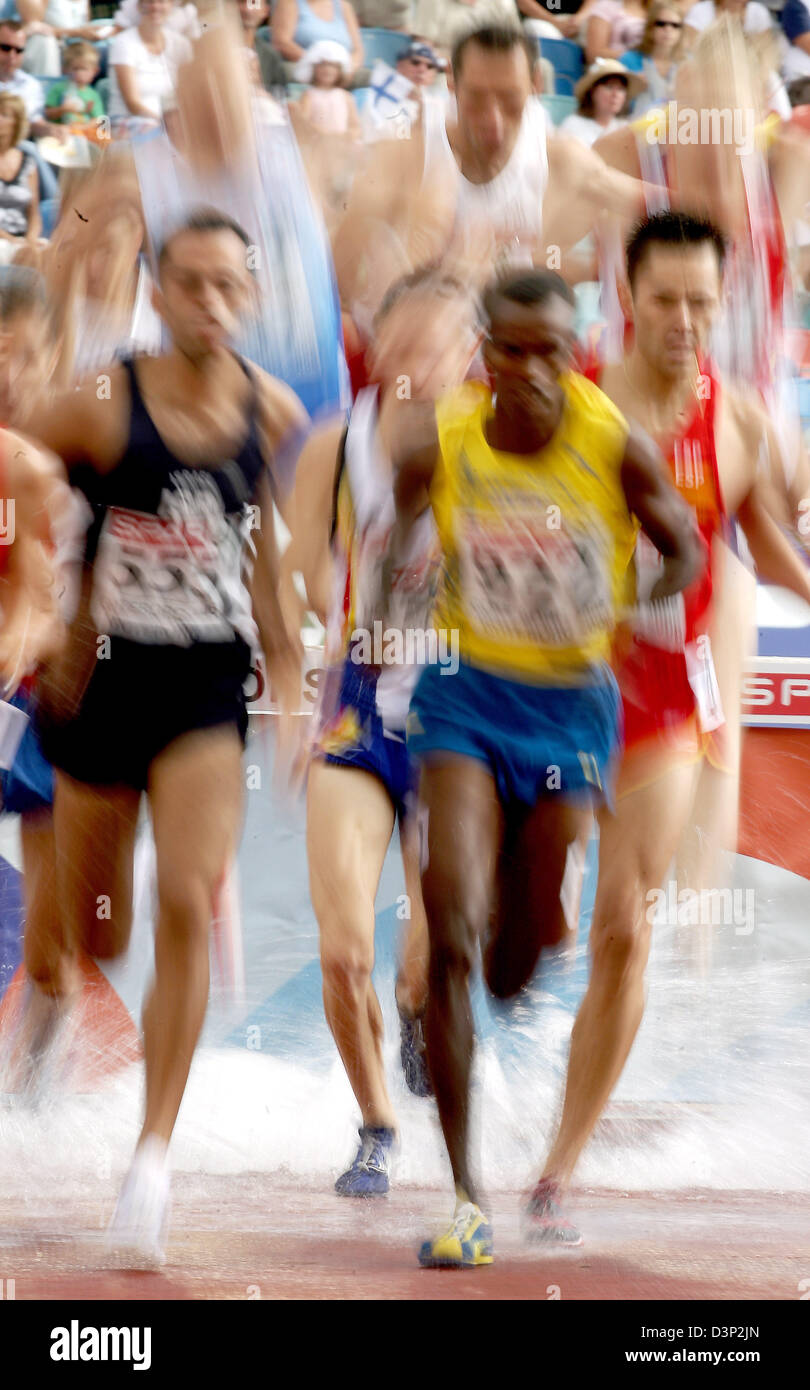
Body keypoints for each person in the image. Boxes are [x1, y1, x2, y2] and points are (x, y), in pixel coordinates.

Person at [390, 268, 704, 1267]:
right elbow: (394, 529)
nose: (529, 371)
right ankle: (466, 1197)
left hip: (570, 710)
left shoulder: (611, 440)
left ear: (576, 355)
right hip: (466, 692)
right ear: (482, 354)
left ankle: (511, 950)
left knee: (518, 959)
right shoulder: (440, 436)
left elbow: (686, 545)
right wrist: (391, 609)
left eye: (551, 353)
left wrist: (639, 596)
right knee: (454, 921)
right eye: (510, 350)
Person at [29, 208, 307, 1267]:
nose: (210, 304)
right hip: (98, 686)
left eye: (229, 286)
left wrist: (287, 668)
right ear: (156, 290)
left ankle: (151, 1155)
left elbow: (275, 566)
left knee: (188, 896)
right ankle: (48, 1019)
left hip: (201, 685)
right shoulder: (104, 402)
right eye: (189, 284)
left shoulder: (273, 414)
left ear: (252, 293)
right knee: (96, 939)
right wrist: (47, 606)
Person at [535, 212, 810, 1239]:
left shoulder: (733, 420)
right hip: (548, 682)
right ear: (628, 298)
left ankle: (558, 1168)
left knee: (623, 927)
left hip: (664, 699)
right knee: (516, 913)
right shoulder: (567, 393)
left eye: (705, 301)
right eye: (668, 302)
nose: (688, 321)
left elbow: (772, 545)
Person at [284, 269, 481, 1196]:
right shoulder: (340, 441)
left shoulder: (497, 445)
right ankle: (375, 1125)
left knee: (429, 954)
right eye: (403, 343)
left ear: (468, 355)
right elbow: (297, 571)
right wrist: (302, 678)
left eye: (439, 346)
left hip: (455, 716)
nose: (418, 363)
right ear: (379, 343)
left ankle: (415, 1015)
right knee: (342, 949)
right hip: (359, 712)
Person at [333, 24, 654, 343]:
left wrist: (602, 269)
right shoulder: (403, 155)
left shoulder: (562, 162)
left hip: (501, 362)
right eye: (476, 98)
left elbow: (673, 207)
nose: (493, 120)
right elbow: (340, 285)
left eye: (509, 98)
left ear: (535, 86)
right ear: (451, 83)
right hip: (405, 356)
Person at [107, 0, 193, 136]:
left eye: (162, 1)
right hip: (129, 123)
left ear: (171, 6)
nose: (155, 6)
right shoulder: (123, 42)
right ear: (139, 6)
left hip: (170, 125)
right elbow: (132, 103)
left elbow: (189, 94)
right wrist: (165, 123)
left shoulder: (181, 44)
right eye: (149, 1)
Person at [271, 0, 364, 81]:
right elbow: (282, 43)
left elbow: (358, 50)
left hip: (342, 70)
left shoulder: (345, 7)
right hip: (304, 66)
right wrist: (318, 65)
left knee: (368, 77)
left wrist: (347, 68)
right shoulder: (289, 3)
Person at [560, 59, 644, 146]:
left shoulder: (625, 128)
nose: (615, 94)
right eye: (609, 87)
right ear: (592, 91)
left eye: (621, 89)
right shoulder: (573, 125)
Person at [621, 2, 686, 114]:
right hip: (636, 125)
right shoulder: (628, 60)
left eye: (675, 25)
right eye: (661, 24)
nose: (668, 29)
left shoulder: (688, 63)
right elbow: (617, 109)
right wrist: (632, 91)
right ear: (650, 29)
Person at [0, 94, 40, 263]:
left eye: (4, 114)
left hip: (21, 239)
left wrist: (30, 240)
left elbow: (34, 212)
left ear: (16, 123)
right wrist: (11, 240)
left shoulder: (28, 162)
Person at [44, 41, 104, 128]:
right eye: (75, 69)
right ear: (65, 70)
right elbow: (47, 113)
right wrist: (62, 109)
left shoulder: (93, 95)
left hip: (84, 134)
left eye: (84, 69)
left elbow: (98, 119)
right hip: (61, 132)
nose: (79, 73)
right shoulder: (59, 89)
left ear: (95, 71)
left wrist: (84, 127)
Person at [583, 0, 651, 63]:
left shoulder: (654, 9)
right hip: (614, 70)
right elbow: (593, 54)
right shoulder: (606, 6)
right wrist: (631, 58)